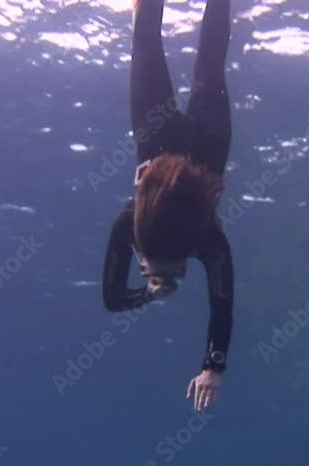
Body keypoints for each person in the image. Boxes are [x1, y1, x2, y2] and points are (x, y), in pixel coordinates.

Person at [102, 0, 233, 412]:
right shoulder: (200, 238)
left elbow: (112, 299)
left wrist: (214, 367)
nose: (152, 274)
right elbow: (222, 304)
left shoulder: (198, 238)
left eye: (143, 268)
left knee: (198, 58)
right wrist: (212, 367)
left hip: (206, 142)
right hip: (159, 136)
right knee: (150, 45)